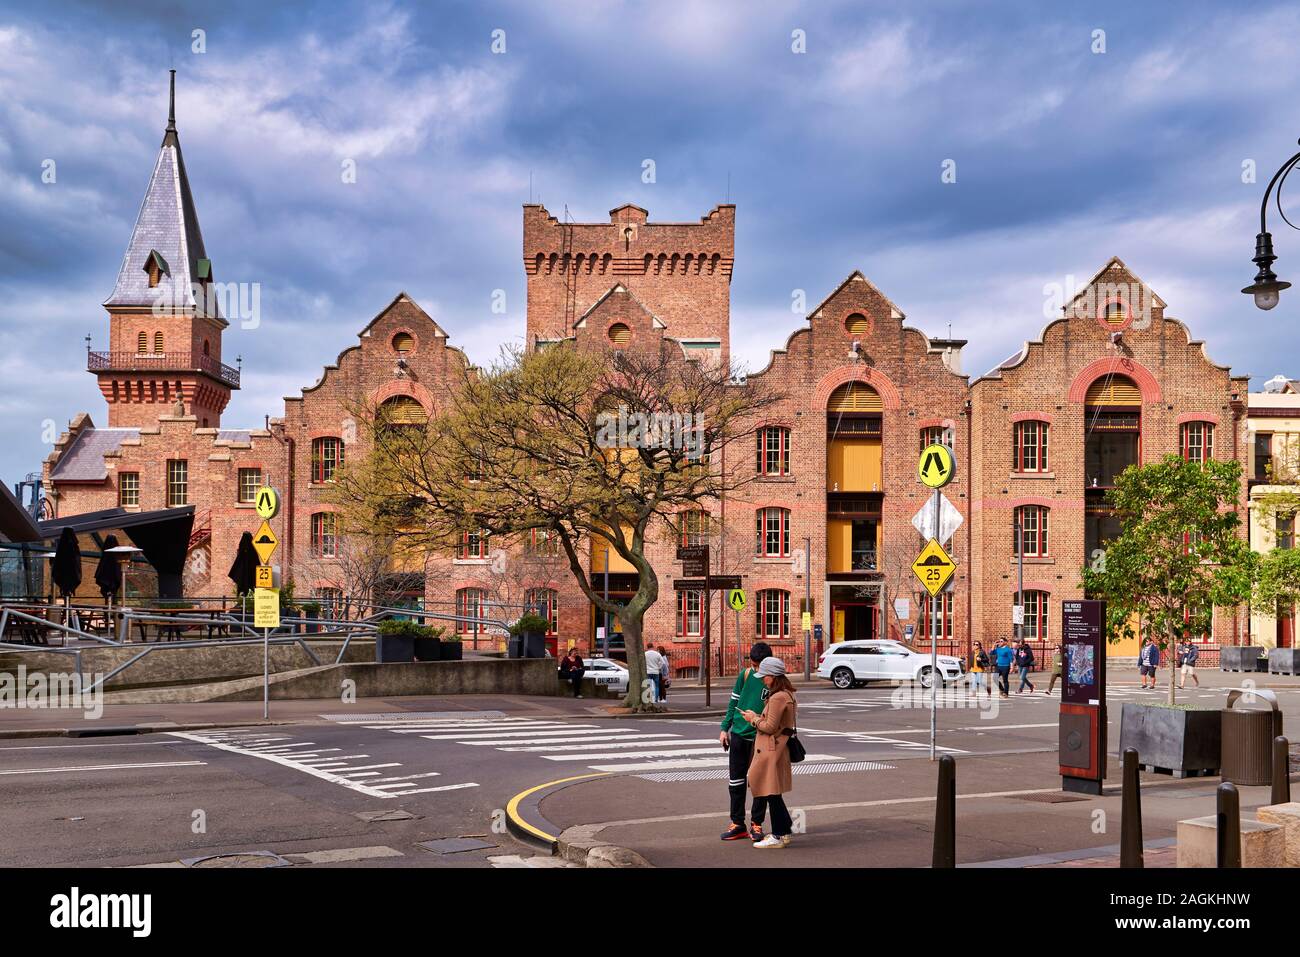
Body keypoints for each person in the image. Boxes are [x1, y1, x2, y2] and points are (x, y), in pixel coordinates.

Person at [739, 656, 798, 849]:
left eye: (765, 676)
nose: (763, 679)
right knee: (773, 792)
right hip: (778, 747)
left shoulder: (778, 697)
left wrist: (752, 719)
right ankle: (785, 830)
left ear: (773, 676)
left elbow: (770, 727)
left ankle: (778, 836)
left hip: (771, 749)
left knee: (769, 791)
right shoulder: (787, 694)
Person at [719, 642, 772, 843]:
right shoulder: (746, 675)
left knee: (759, 783)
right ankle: (737, 823)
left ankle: (756, 823)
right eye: (754, 665)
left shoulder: (772, 679)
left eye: (761, 666)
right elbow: (734, 702)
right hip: (740, 733)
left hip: (761, 736)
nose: (757, 670)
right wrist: (725, 728)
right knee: (736, 781)